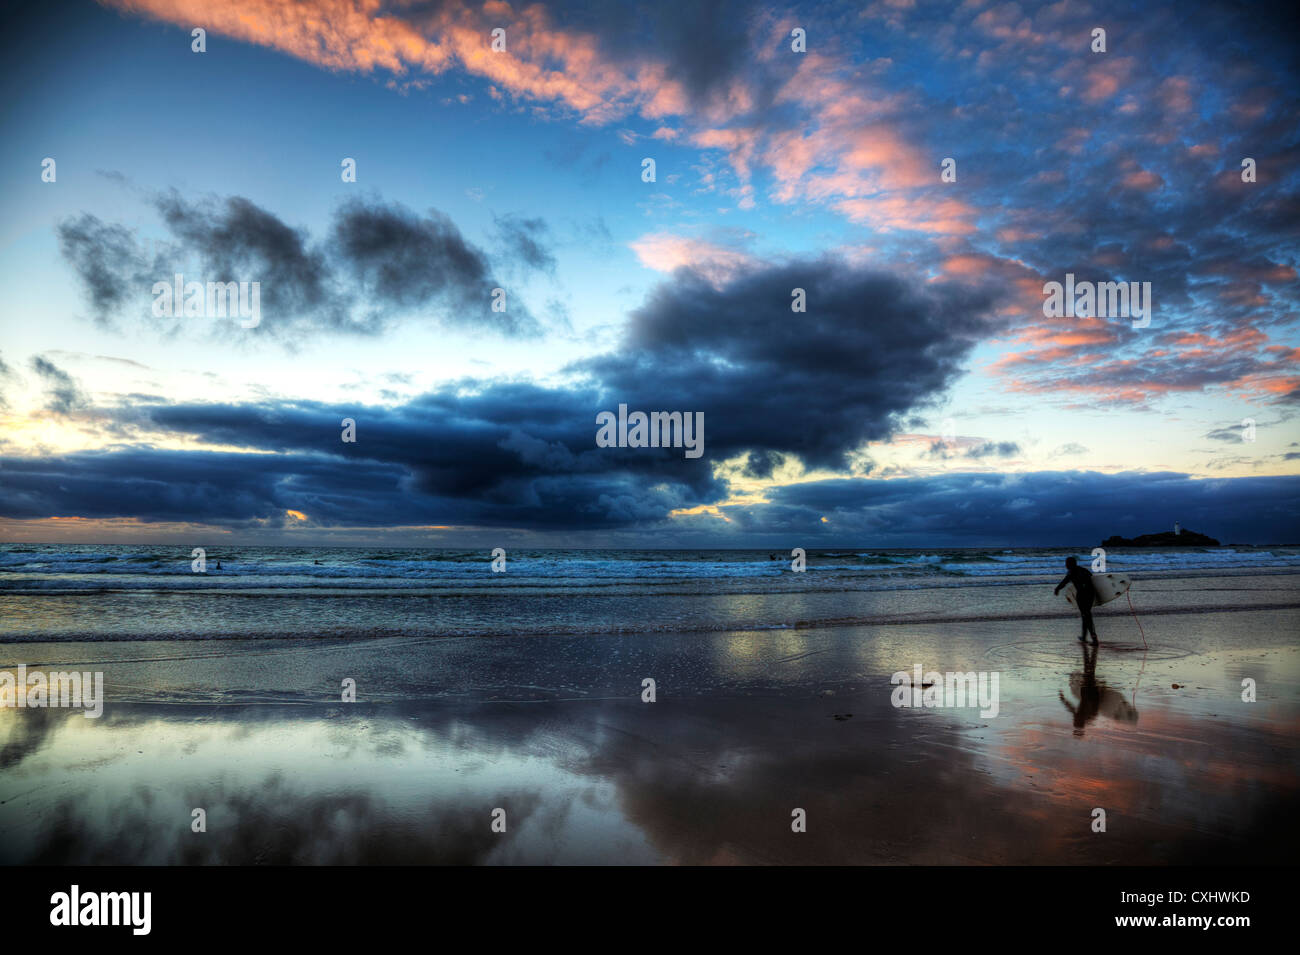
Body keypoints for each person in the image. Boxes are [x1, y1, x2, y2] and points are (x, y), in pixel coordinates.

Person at [1054, 556, 1098, 643]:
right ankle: (1084, 637)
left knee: (1086, 616)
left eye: (1067, 563)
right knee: (1086, 615)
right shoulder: (1084, 570)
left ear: (1070, 564)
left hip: (1082, 595)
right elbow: (1092, 578)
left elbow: (1064, 582)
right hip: (1091, 593)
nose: (1065, 565)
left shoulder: (1071, 572)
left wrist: (1057, 589)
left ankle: (1094, 638)